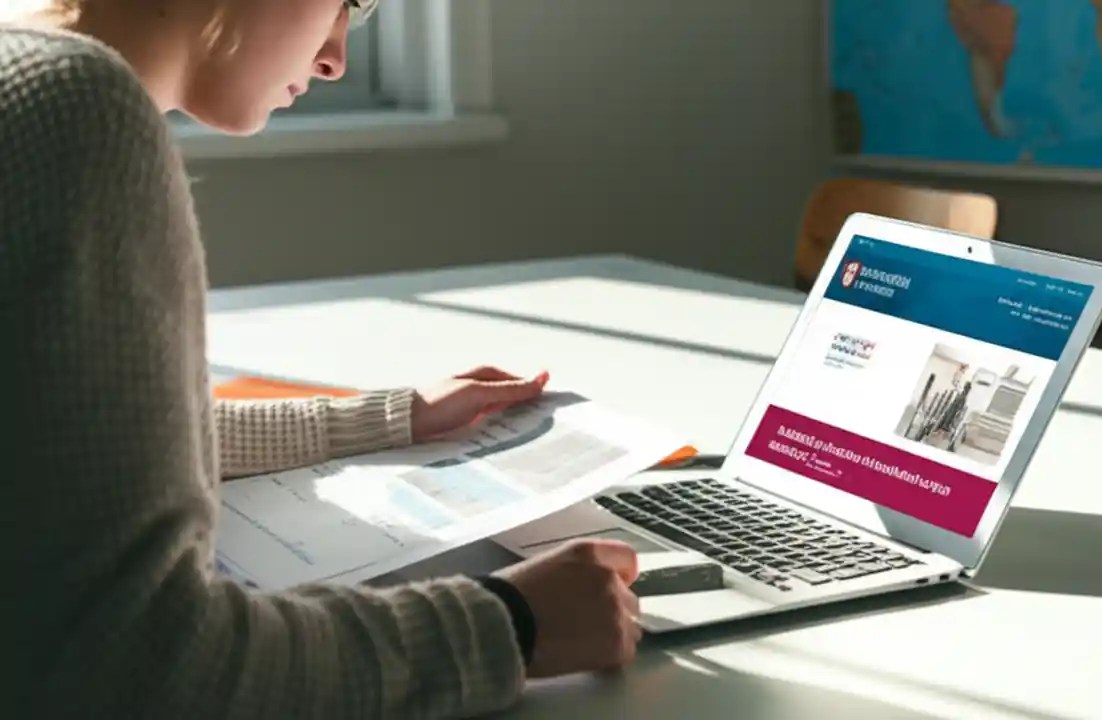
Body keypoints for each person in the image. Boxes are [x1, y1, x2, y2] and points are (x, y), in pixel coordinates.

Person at [0, 1, 642, 717]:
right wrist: (511, 622)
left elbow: (71, 451)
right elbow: (141, 664)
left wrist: (380, 420)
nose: (335, 57)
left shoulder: (20, 79)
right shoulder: (74, 109)